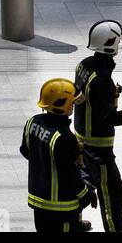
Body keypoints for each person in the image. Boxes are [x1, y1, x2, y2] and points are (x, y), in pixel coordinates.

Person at [74, 20, 122, 231]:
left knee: (81, 186)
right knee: (113, 195)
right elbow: (107, 117)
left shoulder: (84, 64)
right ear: (110, 43)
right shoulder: (102, 79)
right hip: (98, 150)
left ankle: (74, 222)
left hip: (80, 141)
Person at [20, 78, 93, 233]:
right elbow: (70, 174)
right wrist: (86, 194)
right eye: (71, 103)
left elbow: (26, 151)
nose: (73, 106)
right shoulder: (64, 137)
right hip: (60, 206)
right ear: (62, 105)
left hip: (38, 199)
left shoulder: (32, 122)